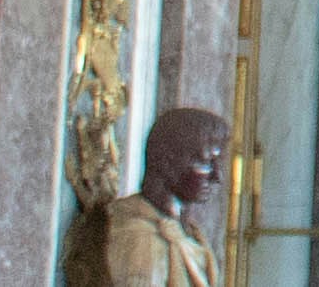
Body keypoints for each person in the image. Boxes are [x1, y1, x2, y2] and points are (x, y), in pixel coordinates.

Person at [96, 109, 230, 287]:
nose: (217, 176)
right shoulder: (143, 241)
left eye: (217, 163)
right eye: (205, 163)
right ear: (167, 162)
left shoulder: (189, 234)